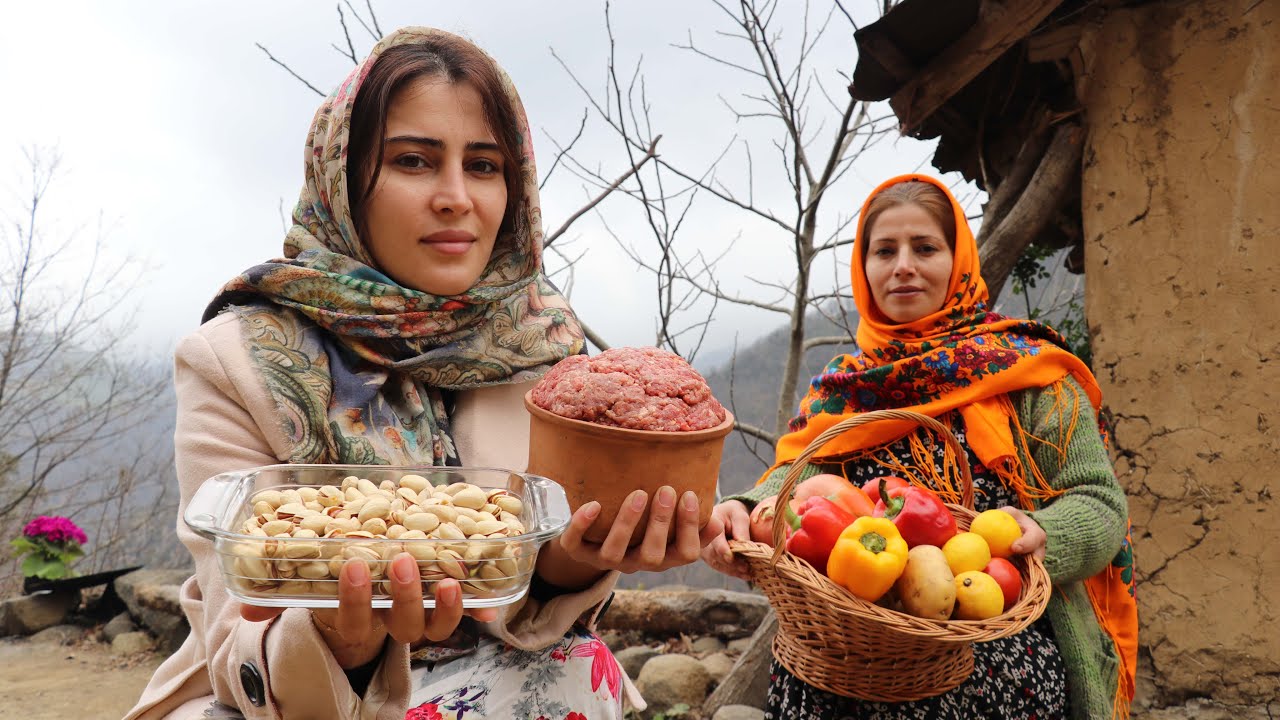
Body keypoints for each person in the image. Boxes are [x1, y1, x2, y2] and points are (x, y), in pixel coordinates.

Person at [126, 27, 719, 720]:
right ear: (344, 178)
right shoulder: (239, 359)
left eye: (484, 165)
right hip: (297, 705)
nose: (455, 197)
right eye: (413, 160)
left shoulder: (545, 349)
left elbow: (525, 591)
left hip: (498, 681)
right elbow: (237, 639)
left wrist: (579, 554)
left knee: (572, 673)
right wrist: (343, 639)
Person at [701, 174, 1138, 720]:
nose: (903, 265)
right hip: (850, 649)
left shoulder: (1031, 374)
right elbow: (801, 476)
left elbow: (1099, 503)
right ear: (864, 268)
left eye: (925, 248)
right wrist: (746, 508)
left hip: (992, 637)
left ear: (958, 262)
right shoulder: (846, 388)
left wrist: (1045, 533)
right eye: (885, 251)